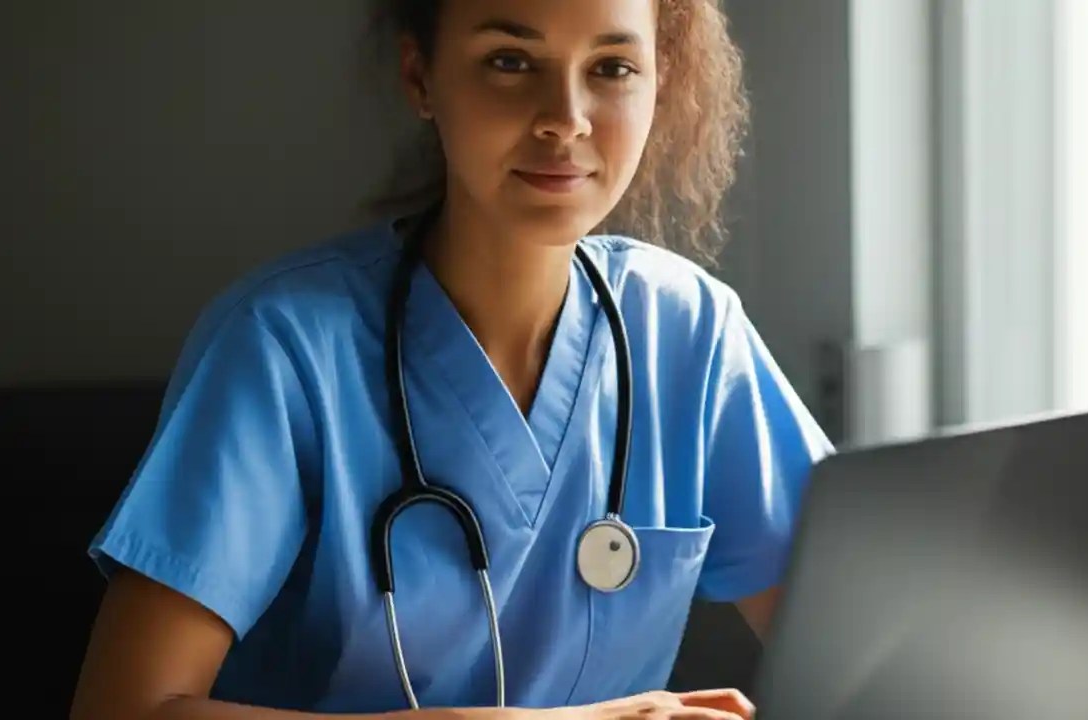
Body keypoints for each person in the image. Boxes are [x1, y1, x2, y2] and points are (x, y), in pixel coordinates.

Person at [68, 1, 833, 719]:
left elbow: (866, 648)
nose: (565, 120)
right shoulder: (283, 347)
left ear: (658, 81)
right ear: (420, 79)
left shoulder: (689, 332)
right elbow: (120, 711)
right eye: (509, 60)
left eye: (611, 68)